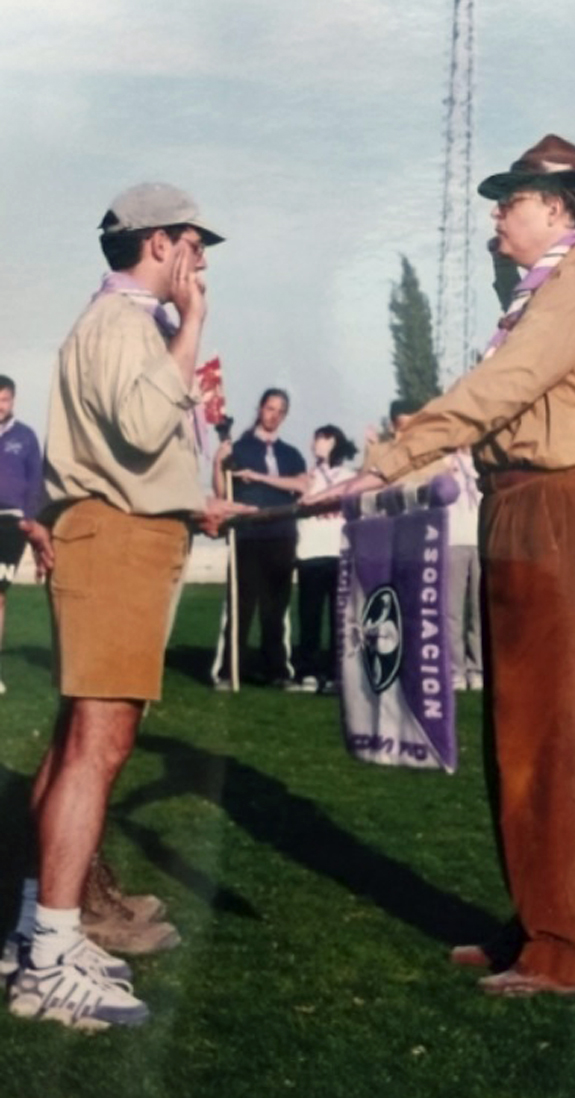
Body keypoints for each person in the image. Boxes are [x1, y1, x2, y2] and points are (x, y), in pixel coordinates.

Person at [309, 134, 575, 996]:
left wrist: (392, 455)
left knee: (552, 731)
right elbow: (502, 388)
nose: (498, 212)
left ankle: (567, 946)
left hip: (558, 501)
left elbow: (503, 387)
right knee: (519, 729)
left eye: (514, 199)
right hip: (523, 499)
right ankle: (533, 922)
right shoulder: (539, 289)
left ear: (560, 210)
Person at [4, 182, 248, 1030]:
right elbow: (146, 428)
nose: (202, 262)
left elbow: (136, 448)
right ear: (158, 245)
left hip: (124, 537)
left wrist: (192, 501)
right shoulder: (122, 323)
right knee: (96, 748)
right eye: (193, 244)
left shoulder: (119, 324)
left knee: (85, 740)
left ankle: (43, 929)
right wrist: (194, 329)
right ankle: (49, 961)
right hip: (114, 545)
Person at [211, 388, 306, 688]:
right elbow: (222, 493)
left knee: (276, 608)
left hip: (281, 534)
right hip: (248, 534)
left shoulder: (290, 453)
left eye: (280, 411)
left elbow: (303, 485)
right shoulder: (238, 448)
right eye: (270, 408)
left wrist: (262, 477)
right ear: (260, 408)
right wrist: (218, 463)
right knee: (241, 606)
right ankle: (228, 670)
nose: (274, 415)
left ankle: (276, 670)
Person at [287, 425, 357, 693]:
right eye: (315, 437)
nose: (315, 443)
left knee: (340, 618)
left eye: (322, 438)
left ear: (334, 442)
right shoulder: (307, 476)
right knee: (310, 616)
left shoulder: (350, 476)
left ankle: (337, 672)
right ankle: (308, 672)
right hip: (311, 552)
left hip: (341, 551)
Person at [0, 376, 43, 694]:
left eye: (5, 400)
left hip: (10, 525)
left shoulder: (25, 437)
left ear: (13, 401)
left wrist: (30, 520)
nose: (0, 406)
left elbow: (35, 481)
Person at [446, 447, 483, 692]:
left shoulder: (483, 461)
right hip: (452, 541)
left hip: (481, 541)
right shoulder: (444, 462)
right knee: (452, 610)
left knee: (479, 611)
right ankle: (455, 669)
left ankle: (477, 668)